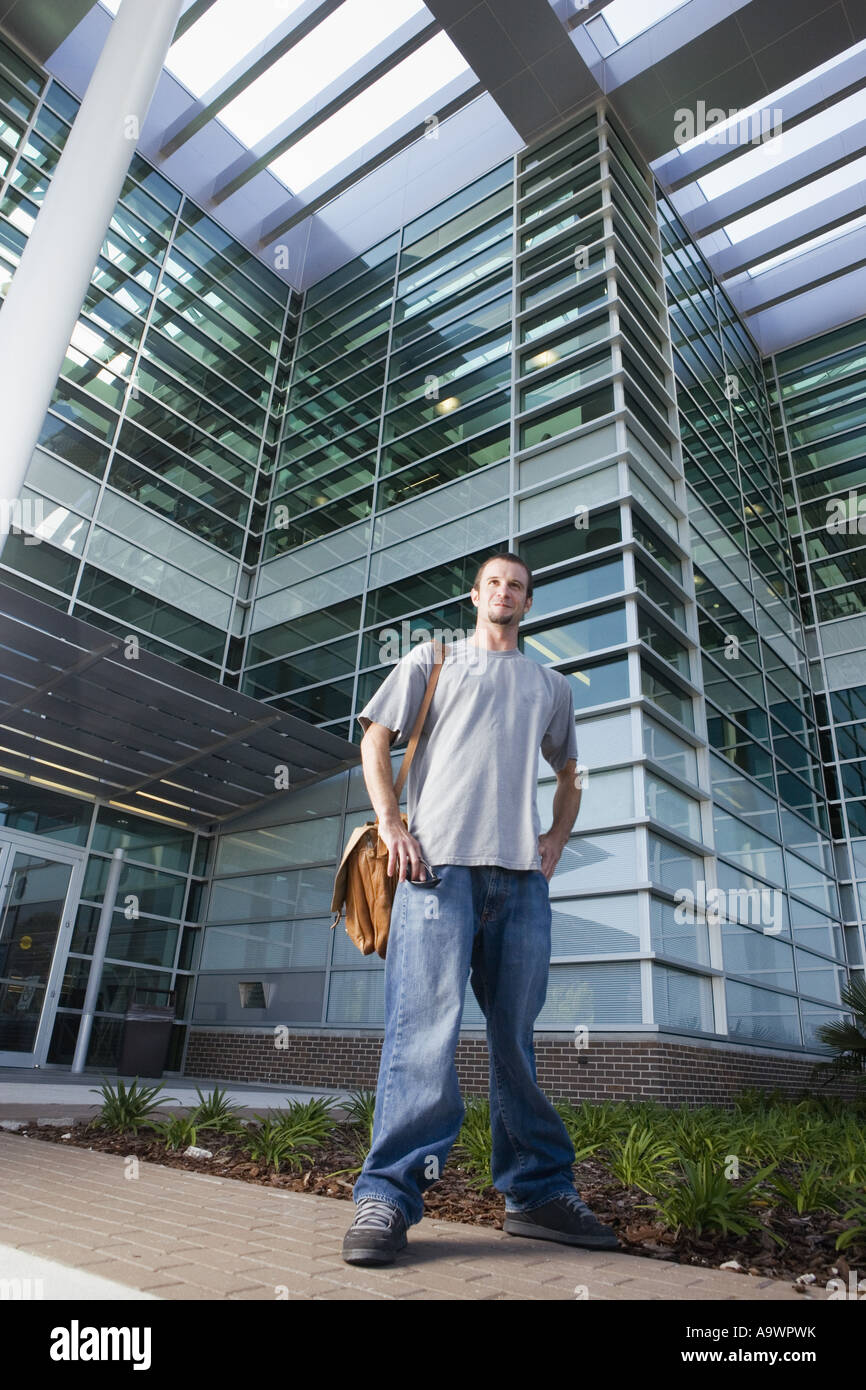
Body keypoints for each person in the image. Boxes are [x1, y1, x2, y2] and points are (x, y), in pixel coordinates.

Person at [341, 552, 620, 1265]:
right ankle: (387, 1195)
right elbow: (374, 738)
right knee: (422, 1035)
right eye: (494, 582)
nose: (505, 592)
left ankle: (537, 1195)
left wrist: (556, 837)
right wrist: (391, 823)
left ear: (528, 603)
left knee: (514, 1043)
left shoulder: (551, 686)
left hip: (520, 882)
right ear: (475, 596)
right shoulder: (433, 660)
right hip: (436, 872)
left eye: (517, 585)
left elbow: (572, 771)